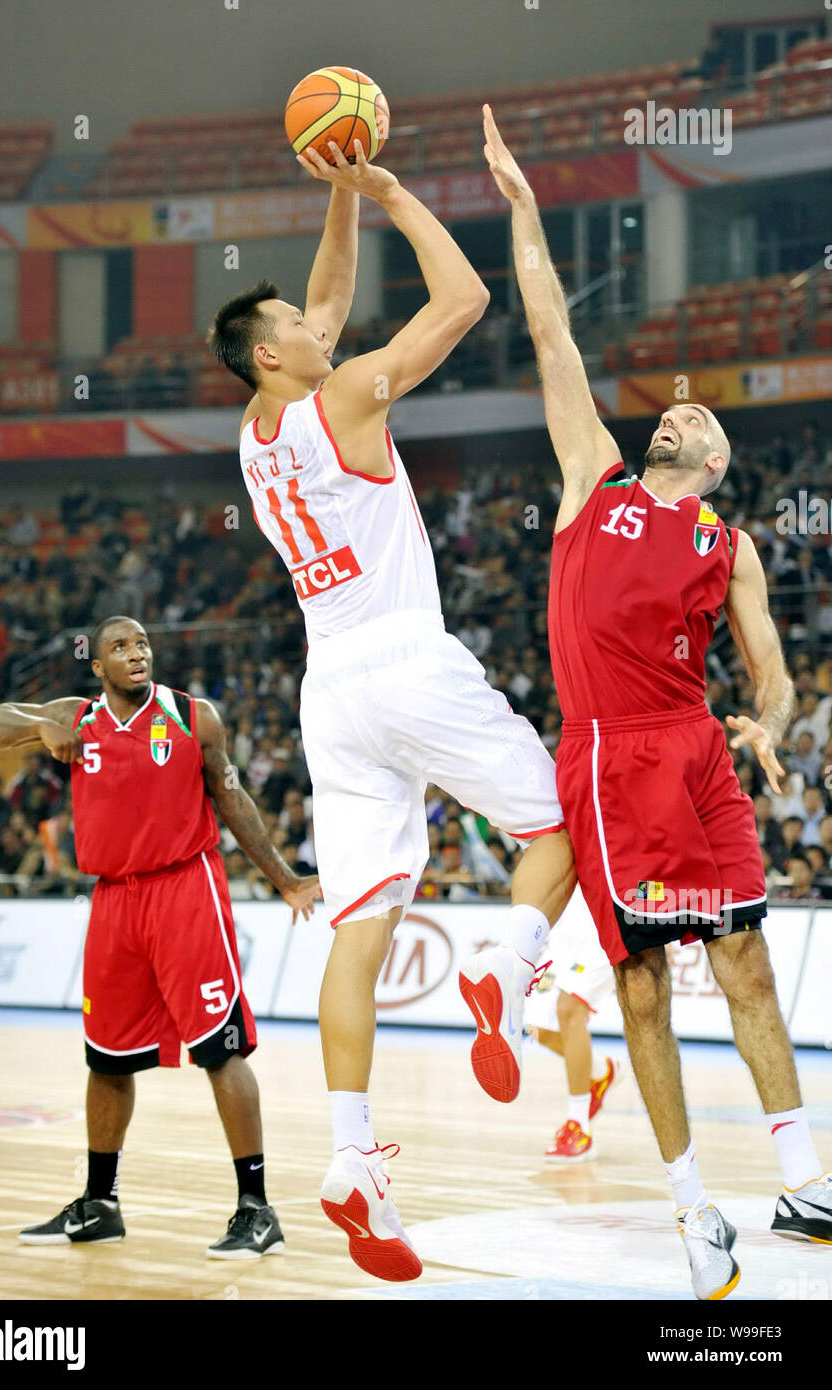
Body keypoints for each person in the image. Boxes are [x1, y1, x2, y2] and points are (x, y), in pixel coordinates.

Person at [209, 140, 575, 1283]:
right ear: (278, 355)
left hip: (331, 692)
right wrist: (392, 190)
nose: (327, 325)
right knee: (560, 822)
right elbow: (463, 298)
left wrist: (334, 189)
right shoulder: (352, 394)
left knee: (356, 927)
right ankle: (504, 968)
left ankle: (351, 1154)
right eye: (302, 328)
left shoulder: (258, 435)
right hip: (408, 659)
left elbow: (324, 296)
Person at [482, 104, 831, 1300]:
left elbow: (770, 665)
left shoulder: (726, 540)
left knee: (746, 960)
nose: (678, 409)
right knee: (639, 984)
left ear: (720, 459)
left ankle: (800, 1181)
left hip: (696, 753)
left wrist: (771, 724)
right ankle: (692, 1208)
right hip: (610, 752)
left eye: (702, 416)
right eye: (675, 409)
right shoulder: (592, 475)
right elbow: (547, 330)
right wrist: (527, 211)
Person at [0, 615, 319, 1260]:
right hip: (112, 899)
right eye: (119, 648)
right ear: (98, 667)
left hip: (185, 888)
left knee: (222, 1050)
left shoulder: (194, 717)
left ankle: (257, 1209)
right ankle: (99, 1203)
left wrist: (284, 878)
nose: (136, 654)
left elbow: (232, 798)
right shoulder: (76, 717)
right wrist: (37, 726)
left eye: (141, 644)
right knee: (105, 1059)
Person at [523, 890, 621, 1161]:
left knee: (569, 1008)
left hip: (606, 928)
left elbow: (650, 863)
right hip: (564, 934)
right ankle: (602, 1069)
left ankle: (578, 1127)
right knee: (538, 1029)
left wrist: (658, 921)